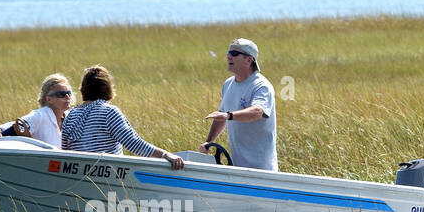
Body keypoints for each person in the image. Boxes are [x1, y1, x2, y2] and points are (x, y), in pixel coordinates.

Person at [61, 66, 184, 169]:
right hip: (106, 174)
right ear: (107, 89)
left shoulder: (71, 114)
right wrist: (166, 155)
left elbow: (65, 151)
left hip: (77, 172)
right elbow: (134, 144)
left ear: (83, 90)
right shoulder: (109, 112)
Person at [201, 37, 277, 171]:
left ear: (249, 60)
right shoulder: (228, 84)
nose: (229, 56)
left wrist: (228, 115)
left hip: (261, 169)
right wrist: (208, 142)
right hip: (237, 167)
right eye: (228, 53)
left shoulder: (261, 85)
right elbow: (221, 117)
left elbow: (258, 112)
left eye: (234, 54)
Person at [0, 73, 72, 148]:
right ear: (49, 99)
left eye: (69, 93)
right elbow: (17, 126)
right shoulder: (40, 115)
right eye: (62, 94)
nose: (67, 97)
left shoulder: (70, 116)